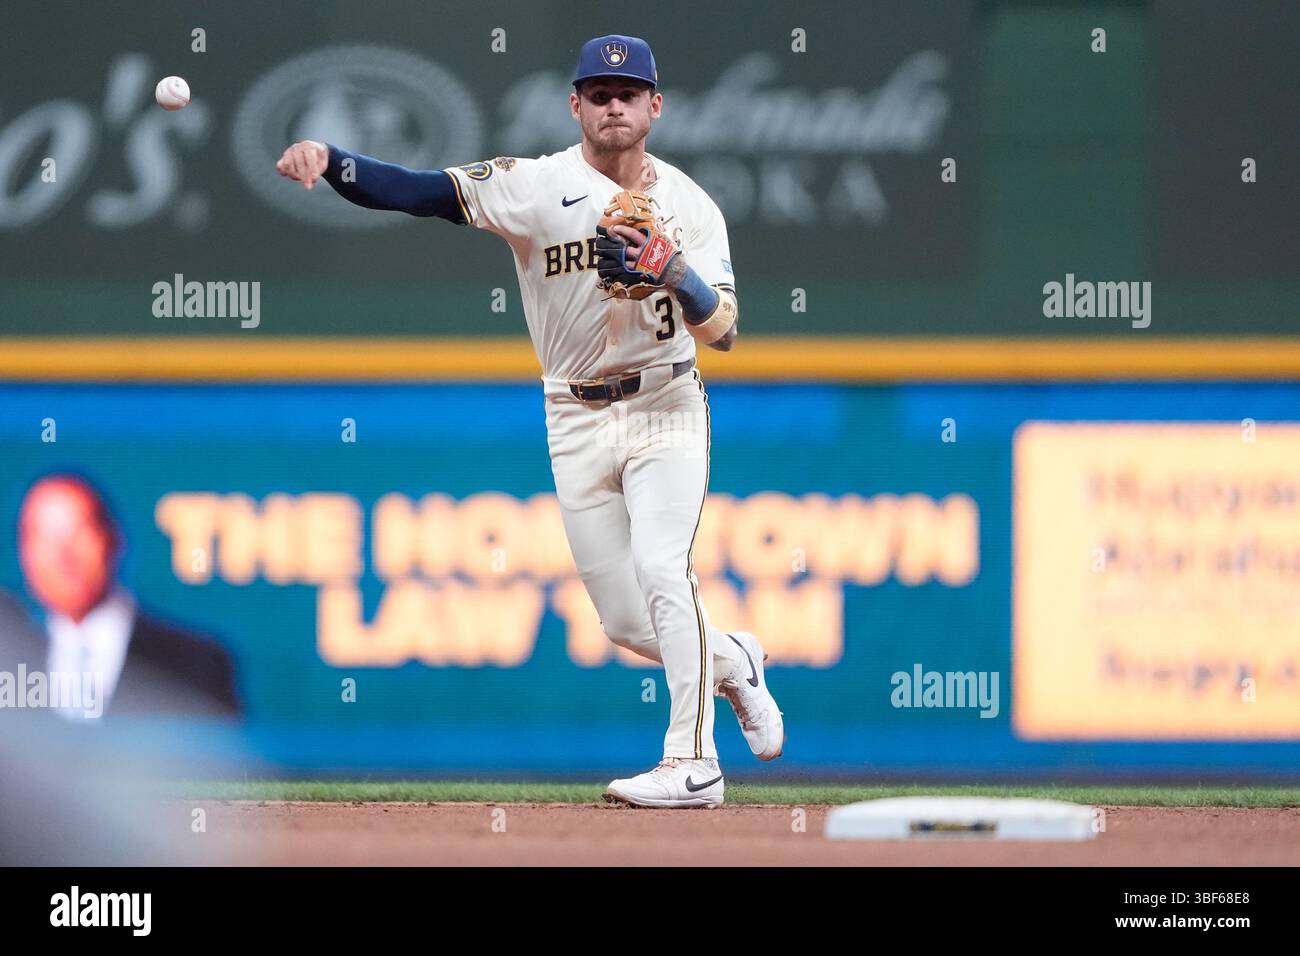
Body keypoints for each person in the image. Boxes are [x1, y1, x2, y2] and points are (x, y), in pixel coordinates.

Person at [276, 34, 782, 807]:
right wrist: (333, 160)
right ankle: (732, 660)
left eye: (629, 92)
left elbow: (726, 332)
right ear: (575, 105)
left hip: (665, 404)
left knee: (661, 569)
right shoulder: (535, 186)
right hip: (572, 414)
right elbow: (417, 191)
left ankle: (693, 765)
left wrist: (672, 271)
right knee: (623, 621)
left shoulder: (690, 206)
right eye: (598, 92)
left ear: (656, 106)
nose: (614, 104)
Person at [15, 474, 241, 719]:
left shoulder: (198, 661)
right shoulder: (12, 663)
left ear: (112, 539)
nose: (63, 557)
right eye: (44, 538)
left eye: (78, 533)